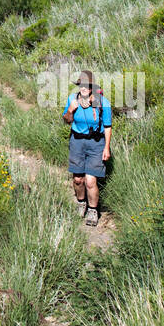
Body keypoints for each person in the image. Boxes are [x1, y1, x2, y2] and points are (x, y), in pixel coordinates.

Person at [62, 70, 112, 226]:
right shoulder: (72, 99)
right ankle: (81, 202)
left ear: (91, 87)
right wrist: (70, 110)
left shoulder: (103, 103)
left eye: (86, 86)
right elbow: (67, 120)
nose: (83, 88)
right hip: (77, 141)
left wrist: (107, 148)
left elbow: (108, 126)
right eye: (81, 85)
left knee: (90, 181)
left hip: (96, 144)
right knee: (78, 179)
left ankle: (92, 210)